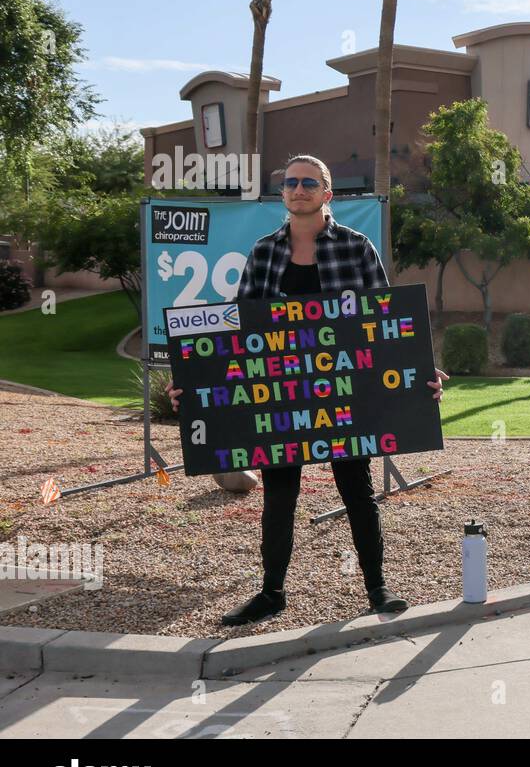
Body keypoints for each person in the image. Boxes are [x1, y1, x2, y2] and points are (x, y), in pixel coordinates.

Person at [166, 154, 448, 626]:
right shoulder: (263, 252)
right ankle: (272, 593)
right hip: (283, 401)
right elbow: (235, 334)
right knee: (279, 496)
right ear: (284, 194)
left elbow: (384, 322)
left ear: (327, 193)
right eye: (292, 182)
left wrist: (424, 374)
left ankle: (378, 589)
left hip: (346, 394)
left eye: (309, 183)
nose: (299, 189)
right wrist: (193, 385)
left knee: (356, 490)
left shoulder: (356, 248)